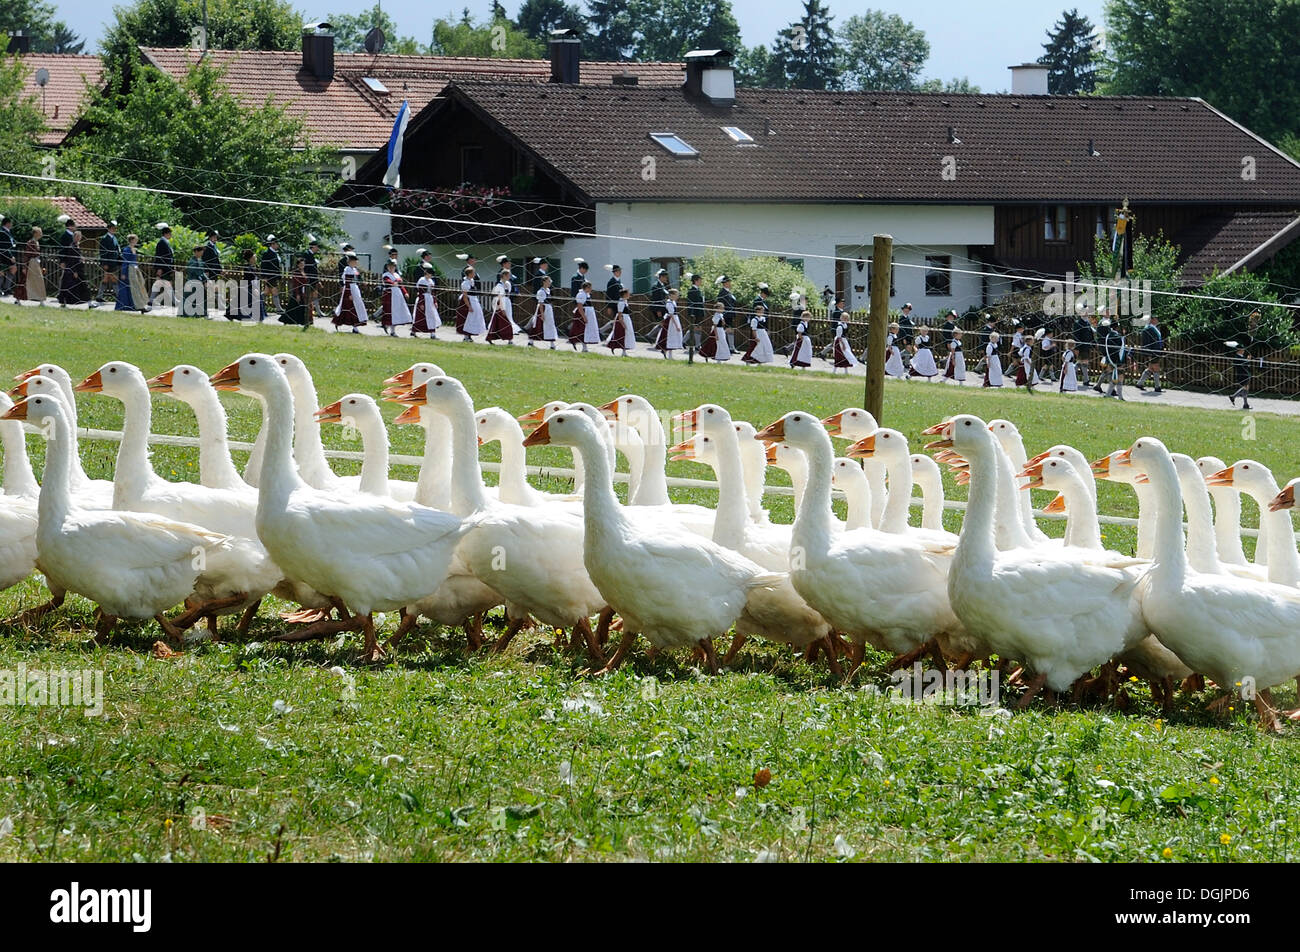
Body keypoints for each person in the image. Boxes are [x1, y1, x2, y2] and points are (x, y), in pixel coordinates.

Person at [56, 218, 88, 307]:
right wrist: (62, 260)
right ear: (70, 226)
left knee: (68, 280)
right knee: (65, 279)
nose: (75, 227)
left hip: (73, 263)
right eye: (74, 225)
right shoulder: (65, 236)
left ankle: (66, 297)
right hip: (68, 262)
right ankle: (62, 296)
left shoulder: (72, 237)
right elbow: (62, 249)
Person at [333, 253, 368, 333]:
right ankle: (338, 322)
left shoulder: (354, 270)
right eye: (354, 261)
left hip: (355, 289)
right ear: (350, 262)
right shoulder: (348, 269)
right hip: (349, 290)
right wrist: (349, 294)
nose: (356, 263)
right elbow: (348, 282)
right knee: (347, 308)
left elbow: (358, 278)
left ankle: (355, 326)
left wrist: (362, 282)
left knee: (355, 308)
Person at [116, 234, 149, 312]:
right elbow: (125, 261)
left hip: (135, 270)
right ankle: (138, 306)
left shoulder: (134, 249)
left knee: (138, 287)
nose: (136, 241)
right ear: (131, 240)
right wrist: (123, 273)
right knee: (132, 288)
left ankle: (137, 305)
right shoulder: (127, 249)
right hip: (129, 271)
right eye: (135, 239)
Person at [380, 259, 413, 337]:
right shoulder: (385, 275)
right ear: (387, 267)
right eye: (390, 266)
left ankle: (392, 330)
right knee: (390, 312)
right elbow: (387, 281)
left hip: (397, 296)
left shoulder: (397, 275)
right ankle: (388, 326)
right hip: (390, 295)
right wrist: (393, 283)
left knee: (397, 313)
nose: (391, 268)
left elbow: (401, 285)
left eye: (393, 266)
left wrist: (405, 292)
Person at [94, 220, 122, 308]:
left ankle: (99, 296)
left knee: (107, 278)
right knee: (112, 278)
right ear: (109, 229)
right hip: (108, 262)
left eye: (115, 228)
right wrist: (104, 263)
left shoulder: (114, 238)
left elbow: (117, 249)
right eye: (113, 228)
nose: (114, 230)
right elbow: (102, 252)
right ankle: (118, 296)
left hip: (114, 262)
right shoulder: (104, 238)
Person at [1100, 318, 1129, 400]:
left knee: (1114, 378)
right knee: (1119, 378)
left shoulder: (1108, 336)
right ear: (1117, 327)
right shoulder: (1118, 337)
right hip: (1118, 360)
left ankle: (1108, 395)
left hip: (1110, 360)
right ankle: (1120, 397)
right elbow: (1120, 350)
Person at [456, 264, 486, 341]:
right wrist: (469, 306)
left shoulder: (472, 281)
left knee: (473, 318)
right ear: (469, 274)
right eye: (473, 273)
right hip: (468, 301)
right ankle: (466, 336)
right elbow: (465, 296)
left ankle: (469, 335)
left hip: (474, 300)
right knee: (467, 319)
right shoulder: (465, 283)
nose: (474, 274)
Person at [1136, 314, 1165, 393]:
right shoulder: (1148, 328)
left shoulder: (1153, 327)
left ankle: (1139, 383)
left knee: (1151, 368)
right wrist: (1148, 354)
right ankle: (1157, 387)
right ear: (1151, 320)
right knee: (1156, 368)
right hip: (1152, 352)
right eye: (1156, 318)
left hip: (1156, 351)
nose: (1157, 320)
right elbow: (1146, 342)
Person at [411, 262, 441, 337]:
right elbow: (421, 292)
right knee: (420, 316)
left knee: (432, 316)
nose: (431, 275)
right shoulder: (422, 280)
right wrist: (421, 303)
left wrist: (435, 302)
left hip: (430, 300)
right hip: (423, 299)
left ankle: (432, 333)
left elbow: (433, 293)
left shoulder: (431, 281)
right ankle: (414, 331)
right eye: (430, 274)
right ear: (426, 273)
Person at [151, 223, 176, 308]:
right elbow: (159, 257)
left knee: (164, 285)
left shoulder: (165, 242)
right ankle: (174, 301)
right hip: (163, 268)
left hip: (165, 267)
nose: (171, 235)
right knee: (164, 285)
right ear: (166, 234)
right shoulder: (162, 243)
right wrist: (159, 268)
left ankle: (151, 300)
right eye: (170, 233)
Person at [528, 273, 556, 347]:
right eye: (549, 281)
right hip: (543, 309)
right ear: (544, 282)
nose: (550, 283)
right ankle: (531, 341)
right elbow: (540, 303)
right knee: (538, 325)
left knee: (550, 325)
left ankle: (552, 344)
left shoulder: (548, 290)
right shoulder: (541, 291)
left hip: (548, 309)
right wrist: (542, 314)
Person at [742, 300, 774, 365]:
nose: (761, 312)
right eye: (760, 311)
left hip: (763, 334)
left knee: (764, 347)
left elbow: (765, 327)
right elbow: (754, 329)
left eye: (762, 311)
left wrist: (766, 332)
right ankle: (748, 359)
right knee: (755, 347)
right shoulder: (754, 320)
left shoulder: (763, 319)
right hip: (758, 334)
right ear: (757, 312)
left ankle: (760, 361)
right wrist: (755, 337)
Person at [654, 287, 683, 358]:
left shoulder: (673, 302)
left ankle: (670, 354)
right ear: (671, 295)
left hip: (675, 319)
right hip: (671, 322)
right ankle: (666, 352)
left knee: (673, 337)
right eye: (676, 294)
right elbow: (671, 315)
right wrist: (676, 326)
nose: (677, 296)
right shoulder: (669, 303)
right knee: (669, 336)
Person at [570, 279, 599, 351]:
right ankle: (581, 345)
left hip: (588, 313)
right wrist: (584, 317)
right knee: (581, 330)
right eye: (590, 287)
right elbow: (580, 306)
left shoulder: (587, 294)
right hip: (583, 314)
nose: (591, 289)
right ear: (586, 288)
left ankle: (585, 346)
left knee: (586, 330)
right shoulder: (581, 294)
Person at [281, 256, 310, 328]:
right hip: (298, 292)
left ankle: (301, 322)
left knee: (300, 308)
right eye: (300, 264)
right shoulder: (296, 272)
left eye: (303, 264)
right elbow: (296, 284)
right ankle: (286, 320)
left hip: (302, 292)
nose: (302, 266)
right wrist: (297, 294)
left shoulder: (303, 272)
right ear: (298, 265)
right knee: (292, 308)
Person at [606, 287, 636, 355]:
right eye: (628, 293)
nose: (629, 295)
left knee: (627, 334)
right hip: (623, 319)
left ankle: (624, 351)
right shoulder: (621, 302)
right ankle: (617, 348)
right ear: (625, 294)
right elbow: (620, 314)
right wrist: (622, 323)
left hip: (626, 319)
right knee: (621, 334)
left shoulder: (625, 301)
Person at [486, 280, 516, 345]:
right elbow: (499, 298)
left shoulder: (507, 284)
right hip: (501, 306)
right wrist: (502, 309)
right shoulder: (499, 285)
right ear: (504, 276)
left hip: (506, 304)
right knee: (503, 323)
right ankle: (509, 340)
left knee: (506, 322)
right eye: (508, 275)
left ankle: (509, 339)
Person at [260, 236, 284, 314]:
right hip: (269, 276)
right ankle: (279, 309)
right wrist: (264, 276)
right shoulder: (267, 253)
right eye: (277, 243)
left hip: (274, 276)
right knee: (275, 292)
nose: (278, 245)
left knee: (266, 292)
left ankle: (257, 303)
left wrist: (279, 276)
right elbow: (263, 265)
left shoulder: (275, 253)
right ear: (272, 244)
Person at [22, 226, 45, 305]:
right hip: (31, 263)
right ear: (35, 233)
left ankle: (40, 299)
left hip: (36, 263)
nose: (41, 234)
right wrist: (24, 267)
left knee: (38, 281)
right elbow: (26, 255)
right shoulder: (31, 242)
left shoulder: (36, 242)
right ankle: (19, 298)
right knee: (26, 280)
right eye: (40, 232)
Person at [181, 244, 207, 316]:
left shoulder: (200, 261)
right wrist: (204, 281)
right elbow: (197, 273)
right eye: (201, 252)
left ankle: (201, 314)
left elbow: (202, 272)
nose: (202, 253)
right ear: (196, 252)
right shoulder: (192, 262)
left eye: (202, 252)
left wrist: (207, 280)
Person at [1228, 338, 1253, 409]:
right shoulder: (1237, 357)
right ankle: (1233, 397)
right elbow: (1241, 365)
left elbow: (1246, 365)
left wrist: (1248, 361)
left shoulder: (1242, 356)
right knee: (1245, 388)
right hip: (1242, 375)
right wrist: (1247, 360)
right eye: (1243, 349)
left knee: (1246, 389)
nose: (1244, 350)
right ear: (1239, 350)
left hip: (1246, 374)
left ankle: (1245, 404)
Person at [715, 274, 738, 351]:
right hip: (726, 315)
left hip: (730, 314)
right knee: (728, 330)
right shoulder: (722, 293)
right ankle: (729, 347)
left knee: (730, 330)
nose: (730, 283)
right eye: (728, 282)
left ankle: (730, 346)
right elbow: (721, 304)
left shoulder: (728, 292)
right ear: (725, 283)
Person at [686, 272, 706, 351]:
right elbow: (691, 303)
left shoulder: (698, 290)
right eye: (700, 280)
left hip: (699, 312)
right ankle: (696, 345)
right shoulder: (692, 290)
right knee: (695, 328)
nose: (701, 282)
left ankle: (697, 344)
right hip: (695, 313)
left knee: (697, 328)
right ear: (696, 281)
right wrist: (692, 313)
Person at [303, 236, 321, 319]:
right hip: (308, 279)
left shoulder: (312, 255)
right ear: (313, 247)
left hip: (313, 279)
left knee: (315, 295)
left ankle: (318, 311)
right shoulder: (307, 254)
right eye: (317, 246)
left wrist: (317, 280)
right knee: (309, 296)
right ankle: (309, 312)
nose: (318, 248)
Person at [0, 215, 17, 298]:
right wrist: (10, 256)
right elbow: (3, 246)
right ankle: (4, 289)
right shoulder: (2, 232)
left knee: (13, 269)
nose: (12, 224)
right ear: (7, 223)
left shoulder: (8, 232)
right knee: (2, 272)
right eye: (11, 223)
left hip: (9, 255)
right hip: (4, 255)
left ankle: (6, 288)